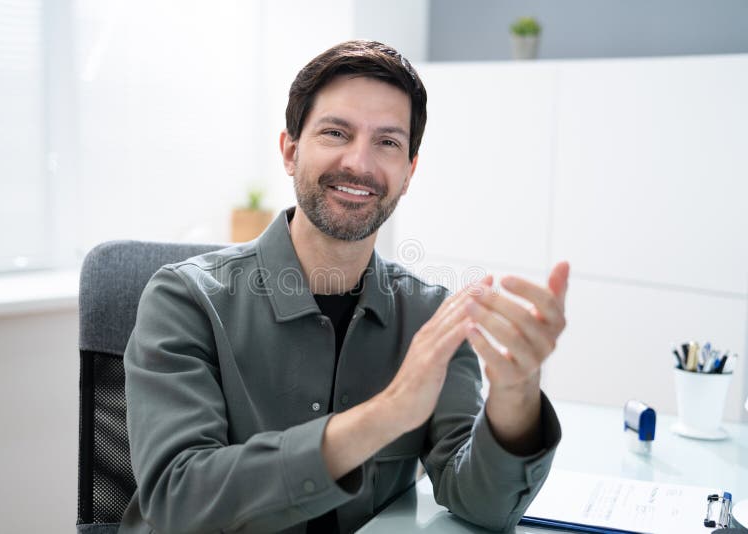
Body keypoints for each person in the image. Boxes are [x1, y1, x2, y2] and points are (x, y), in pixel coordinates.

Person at [119, 40, 569, 534]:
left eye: (388, 142)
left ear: (409, 172)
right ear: (290, 151)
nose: (360, 163)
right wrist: (386, 414)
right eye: (336, 132)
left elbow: (482, 505)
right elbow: (178, 502)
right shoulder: (184, 300)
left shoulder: (432, 317)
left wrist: (515, 394)